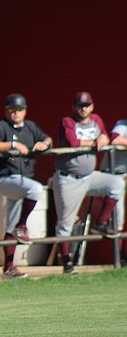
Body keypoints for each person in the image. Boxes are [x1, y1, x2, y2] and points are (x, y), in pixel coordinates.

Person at [51, 92, 124, 275]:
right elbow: (73, 142)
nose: (83, 109)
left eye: (86, 105)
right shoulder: (67, 121)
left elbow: (106, 137)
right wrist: (94, 142)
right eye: (79, 106)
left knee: (116, 184)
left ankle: (100, 222)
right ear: (73, 107)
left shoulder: (96, 119)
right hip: (68, 178)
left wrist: (102, 138)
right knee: (65, 224)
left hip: (89, 176)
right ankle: (67, 264)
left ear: (92, 106)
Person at [0, 93, 53, 278]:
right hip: (5, 178)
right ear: (6, 111)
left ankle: (8, 267)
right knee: (36, 189)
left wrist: (44, 144)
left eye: (19, 110)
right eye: (11, 110)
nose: (15, 113)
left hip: (22, 181)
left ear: (25, 111)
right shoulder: (1, 126)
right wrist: (12, 144)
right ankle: (22, 226)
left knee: (10, 225)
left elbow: (48, 139)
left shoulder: (30, 127)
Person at [101, 118, 127, 266]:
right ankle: (120, 260)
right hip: (114, 175)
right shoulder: (122, 124)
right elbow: (114, 139)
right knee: (118, 219)